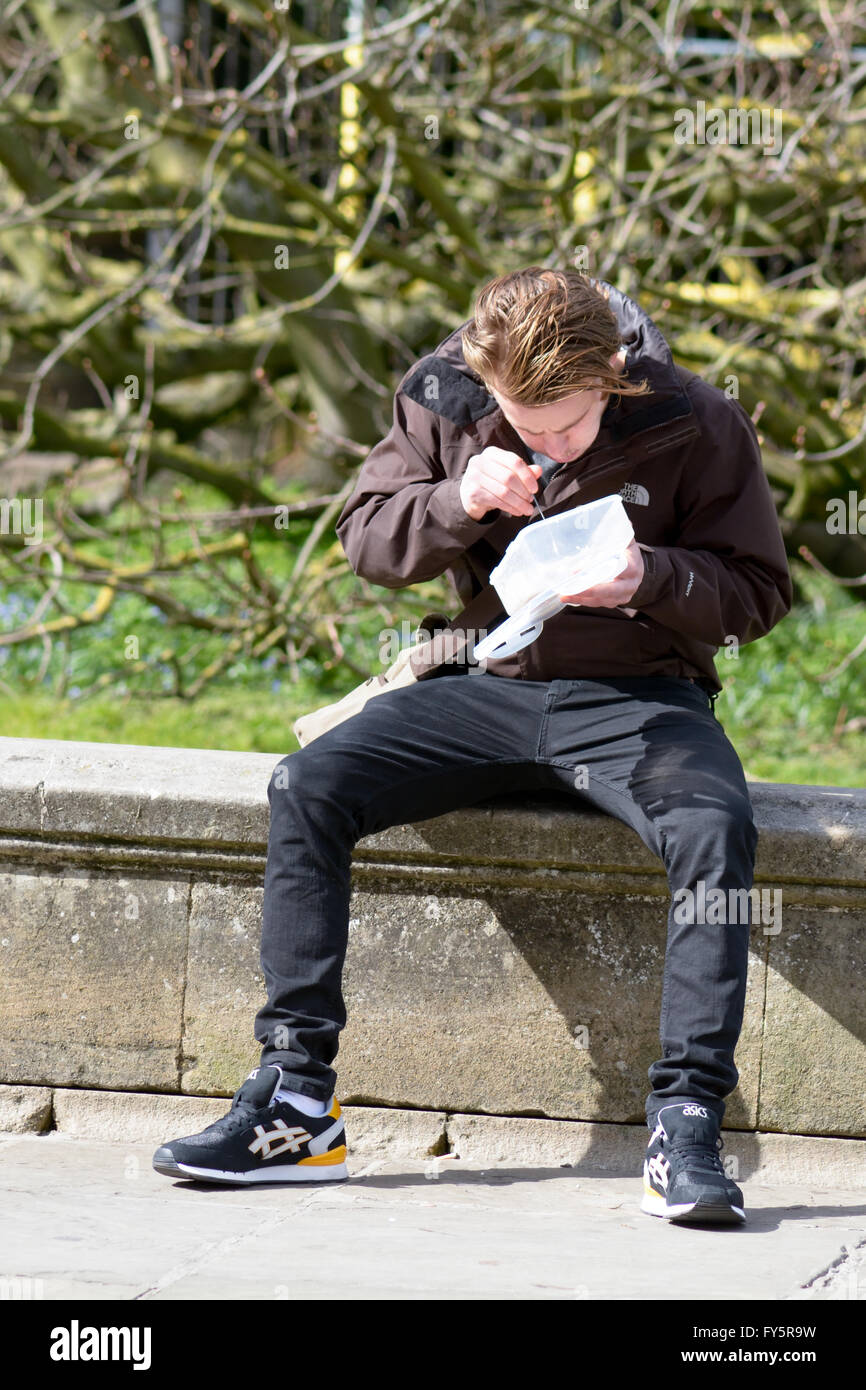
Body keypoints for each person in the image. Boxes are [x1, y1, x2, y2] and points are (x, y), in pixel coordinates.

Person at [153, 268, 792, 1223]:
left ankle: (688, 1121)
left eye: (569, 428)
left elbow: (759, 593)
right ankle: (294, 1102)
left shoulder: (695, 417)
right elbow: (368, 543)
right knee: (309, 785)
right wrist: (458, 500)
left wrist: (649, 578)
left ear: (611, 375)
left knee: (713, 825)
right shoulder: (442, 396)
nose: (550, 447)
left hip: (642, 695)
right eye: (528, 427)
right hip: (482, 681)